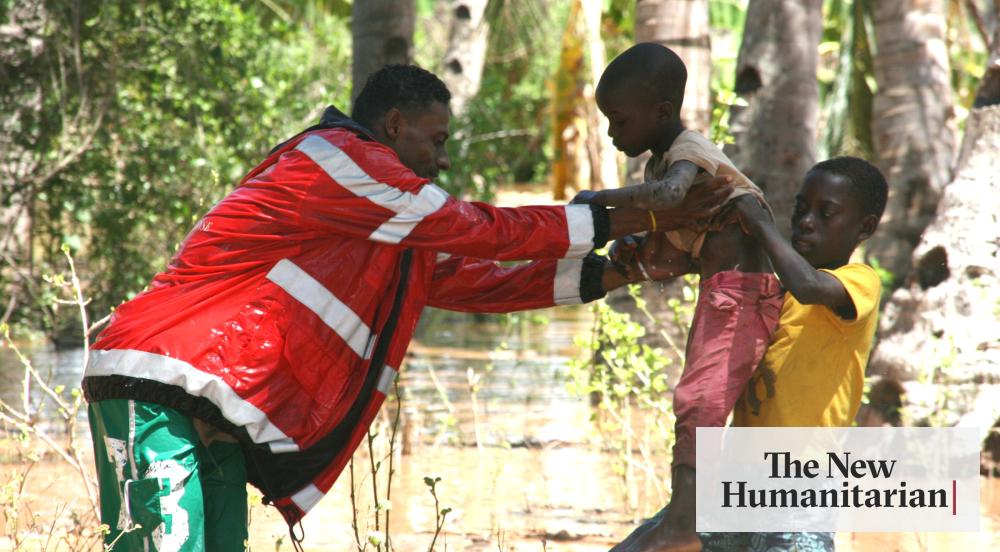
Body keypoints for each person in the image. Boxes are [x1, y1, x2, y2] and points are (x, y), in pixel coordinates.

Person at [81, 64, 732, 551]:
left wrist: (620, 268)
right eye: (436, 139)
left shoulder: (383, 219)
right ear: (394, 126)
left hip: (209, 402)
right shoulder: (341, 160)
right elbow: (483, 230)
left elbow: (471, 279)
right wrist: (640, 206)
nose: (443, 157)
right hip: (157, 377)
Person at [574, 43, 783, 550]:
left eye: (619, 121)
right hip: (723, 293)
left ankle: (684, 525)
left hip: (741, 295)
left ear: (662, 113)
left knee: (700, 399)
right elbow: (675, 247)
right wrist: (636, 245)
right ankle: (684, 512)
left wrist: (598, 200)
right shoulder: (663, 165)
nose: (611, 133)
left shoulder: (689, 152)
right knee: (697, 398)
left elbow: (668, 201)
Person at [697, 156, 887, 552]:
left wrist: (762, 225)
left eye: (826, 213)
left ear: (864, 228)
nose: (805, 221)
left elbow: (809, 286)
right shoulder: (775, 288)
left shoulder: (857, 282)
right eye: (801, 208)